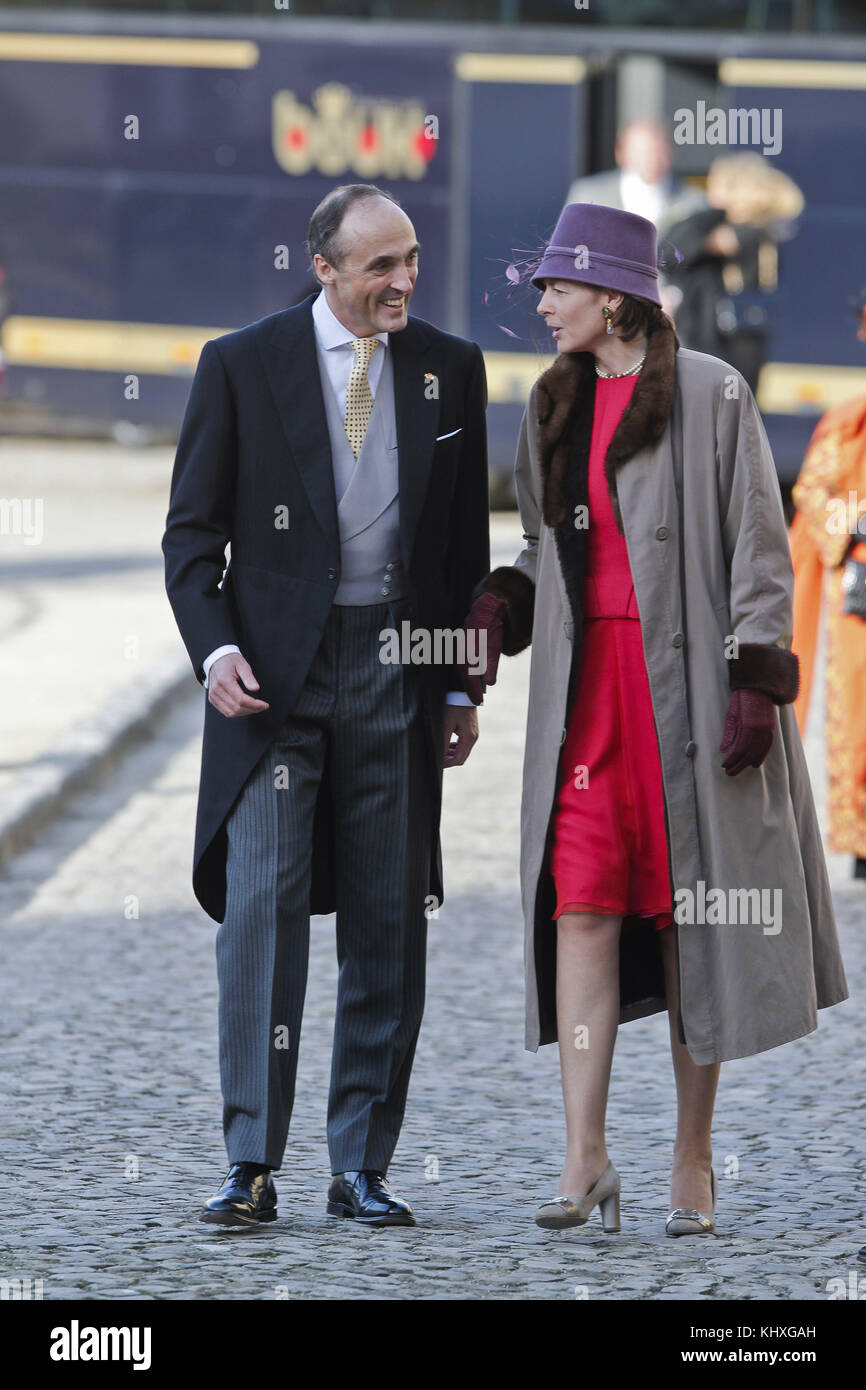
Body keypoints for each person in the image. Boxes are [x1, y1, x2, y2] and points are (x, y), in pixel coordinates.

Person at [461, 203, 847, 1234]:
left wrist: (755, 686)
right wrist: (502, 598)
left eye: (556, 288)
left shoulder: (715, 394)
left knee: (692, 929)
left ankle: (690, 1158)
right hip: (585, 703)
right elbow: (544, 547)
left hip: (687, 697)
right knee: (579, 913)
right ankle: (582, 1157)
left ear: (611, 295)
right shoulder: (551, 402)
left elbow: (760, 553)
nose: (541, 306)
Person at [162, 183, 489, 1228]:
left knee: (389, 924)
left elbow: (459, 553)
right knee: (260, 916)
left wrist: (456, 678)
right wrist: (213, 648)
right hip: (270, 685)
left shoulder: (450, 367)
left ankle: (360, 1167)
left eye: (409, 260)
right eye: (378, 266)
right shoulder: (240, 364)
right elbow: (189, 540)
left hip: (395, 669)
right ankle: (250, 1163)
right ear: (323, 269)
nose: (401, 281)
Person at [790, 378, 866, 880]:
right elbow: (813, 490)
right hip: (862, 586)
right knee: (861, 710)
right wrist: (857, 523)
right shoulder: (852, 416)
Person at [664, 153, 804, 392]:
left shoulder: (737, 231)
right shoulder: (765, 228)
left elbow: (672, 253)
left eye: (716, 184)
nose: (708, 191)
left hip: (722, 339)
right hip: (740, 336)